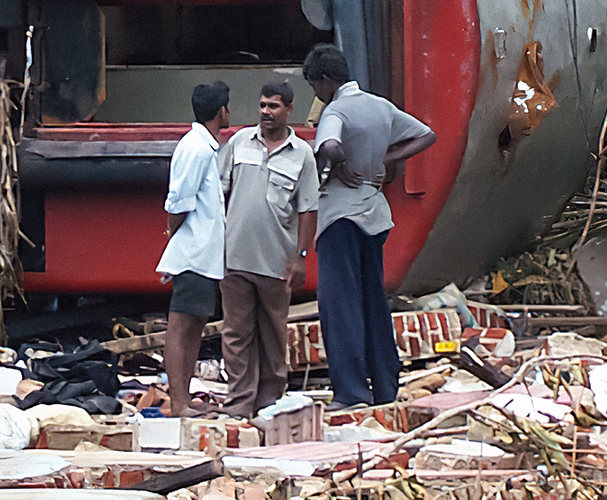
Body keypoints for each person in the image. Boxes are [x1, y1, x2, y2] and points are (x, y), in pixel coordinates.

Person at [302, 44, 437, 409]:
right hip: (374, 214)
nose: (316, 93)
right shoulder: (380, 106)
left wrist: (339, 162)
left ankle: (351, 391)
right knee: (373, 301)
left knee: (340, 305)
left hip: (339, 217)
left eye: (315, 85)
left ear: (326, 80)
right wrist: (386, 158)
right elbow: (427, 135)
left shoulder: (336, 110)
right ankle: (385, 386)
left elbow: (330, 144)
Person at [216, 82, 319, 418]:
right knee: (236, 334)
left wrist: (301, 258)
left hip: (277, 263)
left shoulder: (301, 154)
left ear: (289, 109)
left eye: (273, 106)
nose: (266, 112)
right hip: (235, 259)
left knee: (273, 335)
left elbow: (308, 209)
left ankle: (269, 402)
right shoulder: (239, 142)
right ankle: (239, 403)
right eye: (262, 105)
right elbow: (218, 192)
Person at [156, 81, 229, 417]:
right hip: (194, 251)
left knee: (194, 325)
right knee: (181, 325)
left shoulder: (204, 147)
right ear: (222, 111)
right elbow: (178, 202)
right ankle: (179, 402)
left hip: (204, 252)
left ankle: (183, 398)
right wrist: (175, 237)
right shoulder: (196, 148)